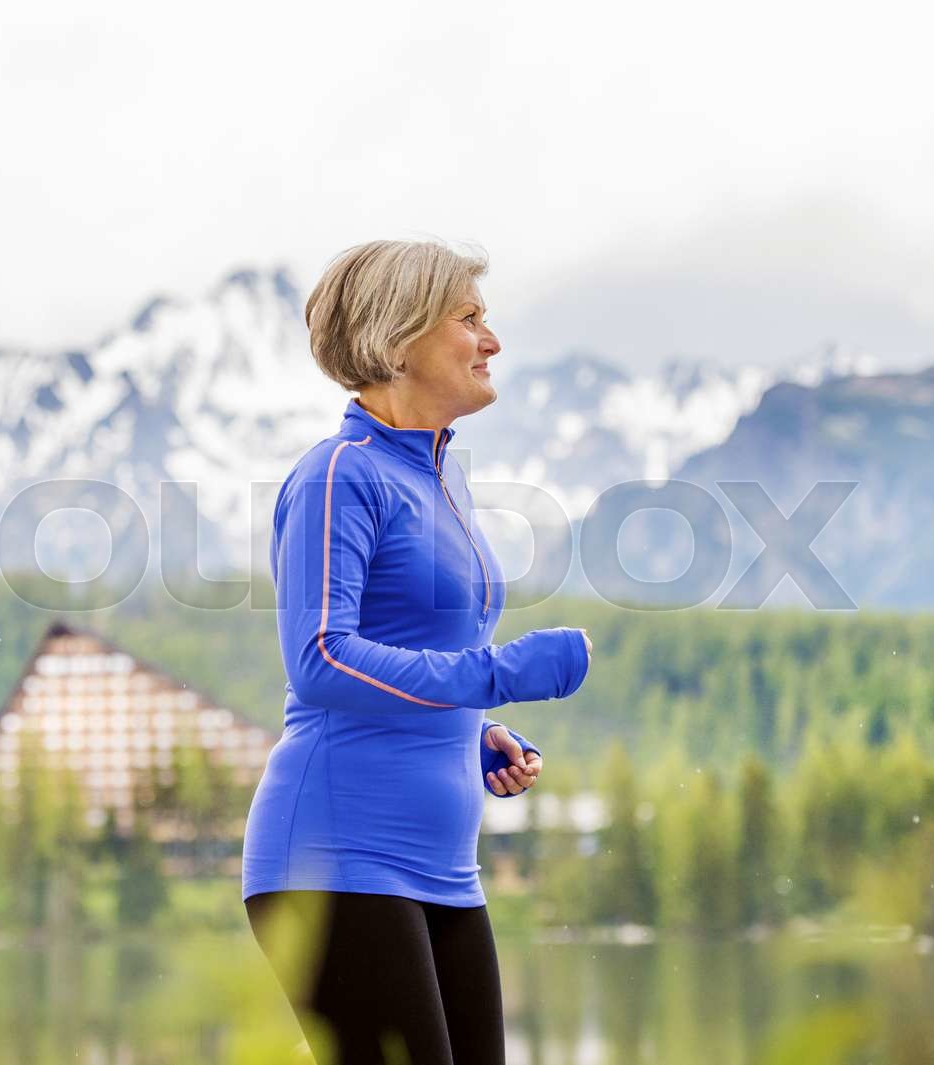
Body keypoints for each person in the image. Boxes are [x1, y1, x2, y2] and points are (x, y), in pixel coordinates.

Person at [241, 240, 593, 1064]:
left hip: (443, 869)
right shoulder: (339, 474)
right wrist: (499, 676)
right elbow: (322, 659)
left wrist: (471, 732)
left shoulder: (443, 478)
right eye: (469, 318)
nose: (492, 339)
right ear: (397, 339)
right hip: (336, 858)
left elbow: (405, 653)